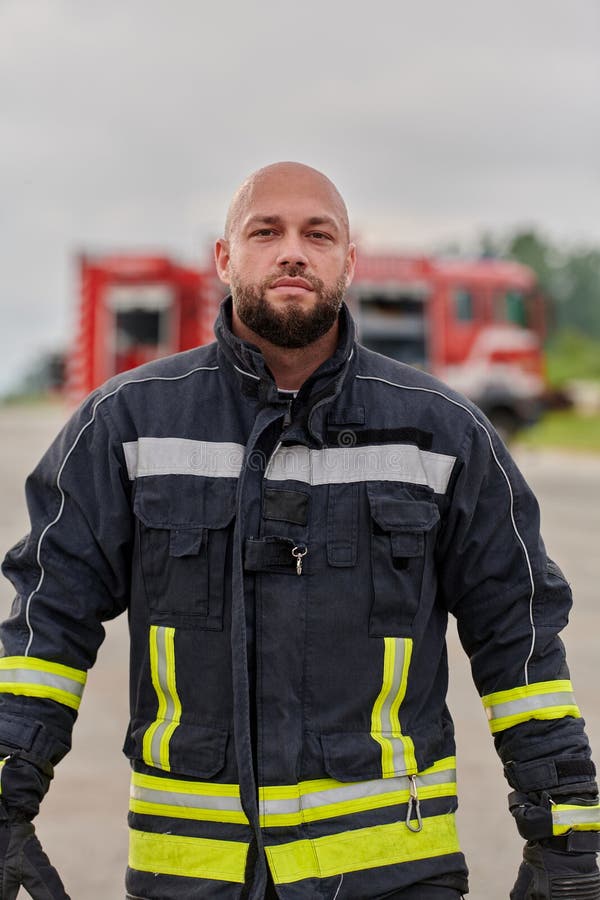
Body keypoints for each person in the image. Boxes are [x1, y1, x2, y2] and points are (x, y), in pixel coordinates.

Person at [0, 161, 598, 900]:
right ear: (224, 258)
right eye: (266, 232)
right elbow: (46, 625)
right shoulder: (124, 426)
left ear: (350, 261)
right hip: (195, 879)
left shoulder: (444, 435)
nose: (293, 252)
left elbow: (520, 639)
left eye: (318, 234)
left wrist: (568, 831)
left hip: (394, 878)